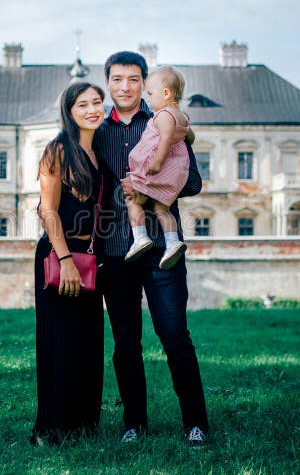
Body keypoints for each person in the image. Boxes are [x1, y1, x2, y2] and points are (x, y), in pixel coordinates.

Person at [93, 51, 210, 446]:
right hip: (116, 247)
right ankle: (133, 423)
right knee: (126, 341)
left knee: (174, 334)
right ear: (107, 83)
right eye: (117, 79)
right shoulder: (97, 128)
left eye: (132, 79)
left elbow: (192, 183)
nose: (124, 87)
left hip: (162, 247)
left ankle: (195, 422)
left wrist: (151, 182)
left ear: (145, 83)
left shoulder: (165, 119)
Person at [31, 81, 106, 446]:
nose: (93, 110)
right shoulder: (58, 150)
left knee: (88, 342)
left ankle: (84, 425)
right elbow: (48, 210)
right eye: (83, 105)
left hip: (90, 258)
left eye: (97, 102)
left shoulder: (100, 150)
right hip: (60, 256)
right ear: (70, 111)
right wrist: (66, 259)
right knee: (59, 342)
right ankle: (52, 429)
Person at [125, 66, 190, 269]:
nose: (149, 99)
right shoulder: (182, 116)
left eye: (151, 94)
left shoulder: (164, 115)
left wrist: (157, 162)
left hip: (157, 170)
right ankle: (173, 242)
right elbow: (190, 135)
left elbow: (165, 139)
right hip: (174, 173)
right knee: (162, 209)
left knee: (132, 199)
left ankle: (140, 237)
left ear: (166, 93)